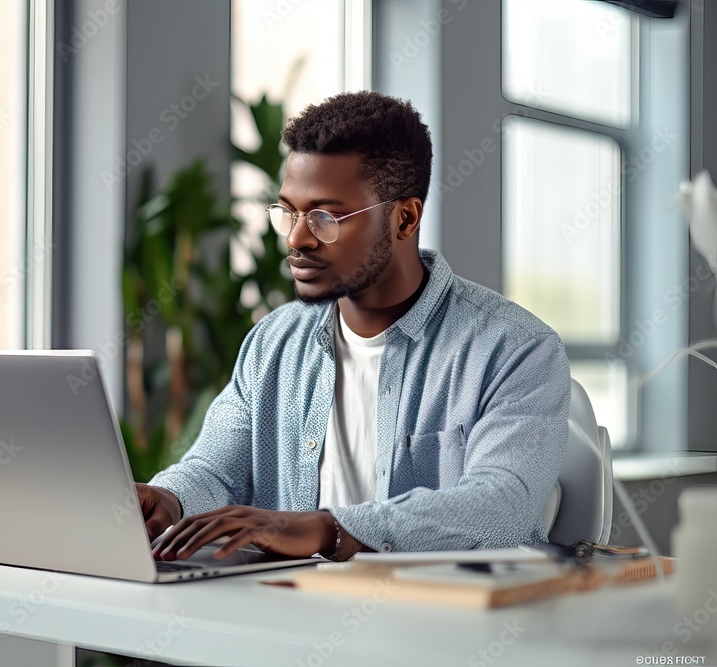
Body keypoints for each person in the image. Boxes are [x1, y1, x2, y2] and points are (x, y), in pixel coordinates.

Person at [139, 91, 570, 562]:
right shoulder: (273, 341)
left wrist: (333, 530)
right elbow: (215, 470)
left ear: (404, 219)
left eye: (326, 216)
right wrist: (169, 499)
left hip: (443, 622)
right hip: (288, 612)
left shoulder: (515, 349)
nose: (298, 238)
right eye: (288, 212)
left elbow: (502, 507)